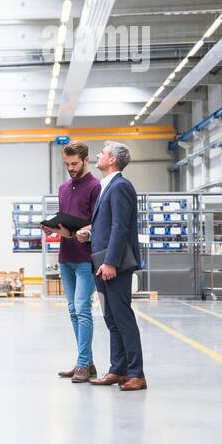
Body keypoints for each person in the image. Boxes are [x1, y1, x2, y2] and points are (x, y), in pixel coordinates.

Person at [77, 141, 147, 392]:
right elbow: (109, 225)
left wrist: (110, 262)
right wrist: (91, 232)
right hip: (102, 262)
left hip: (112, 264)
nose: (97, 155)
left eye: (102, 153)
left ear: (113, 160)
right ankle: (118, 370)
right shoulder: (108, 186)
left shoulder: (120, 186)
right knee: (111, 318)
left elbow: (121, 227)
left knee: (123, 317)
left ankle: (136, 374)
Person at [49, 142, 101, 383]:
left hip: (85, 258)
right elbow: (65, 220)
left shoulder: (95, 186)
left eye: (74, 164)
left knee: (82, 309)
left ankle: (82, 363)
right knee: (72, 310)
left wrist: (86, 231)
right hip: (65, 256)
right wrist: (55, 228)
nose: (70, 168)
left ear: (85, 161)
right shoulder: (63, 188)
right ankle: (86, 363)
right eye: (67, 164)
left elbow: (98, 222)